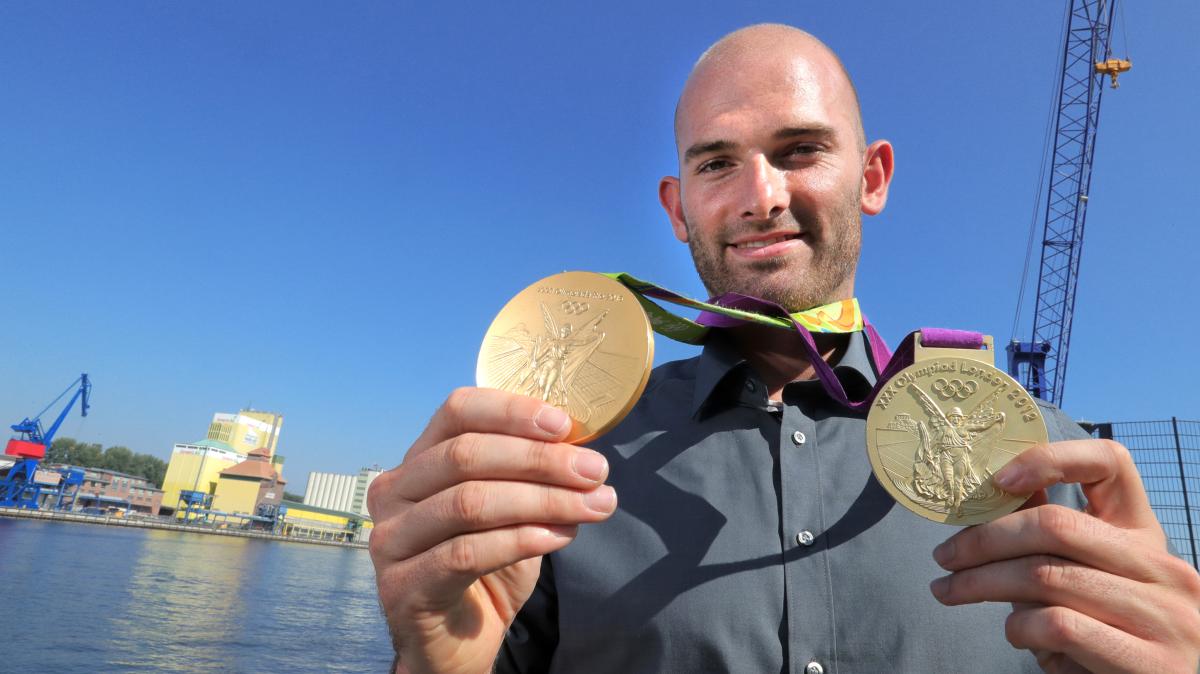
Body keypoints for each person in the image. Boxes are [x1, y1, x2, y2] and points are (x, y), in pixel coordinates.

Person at [368, 24, 1200, 673]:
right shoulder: (556, 465)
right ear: (677, 207)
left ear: (871, 177)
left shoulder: (1048, 463)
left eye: (800, 150)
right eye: (718, 162)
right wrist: (435, 661)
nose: (761, 197)